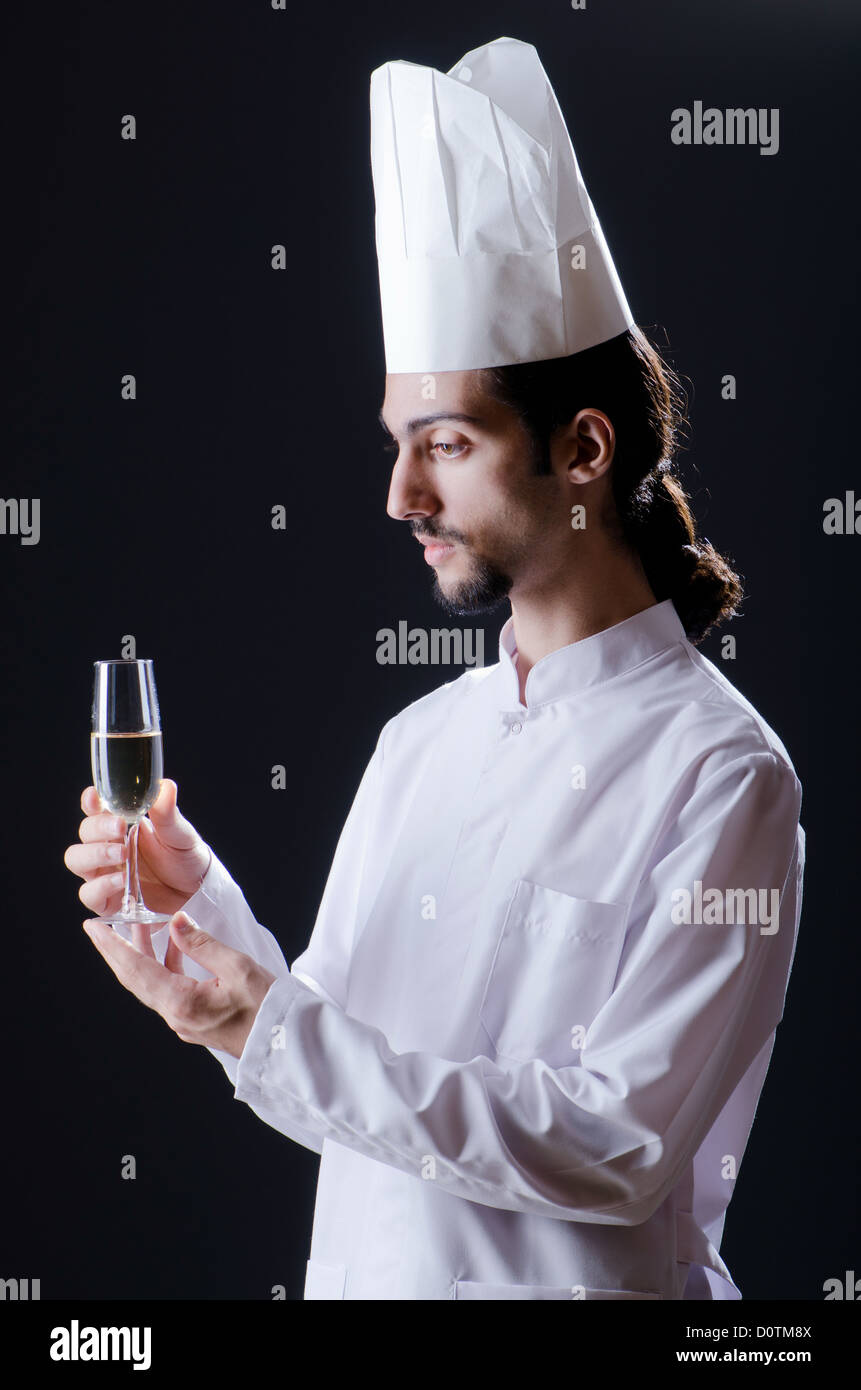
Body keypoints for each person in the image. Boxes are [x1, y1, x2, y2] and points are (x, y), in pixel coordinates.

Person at [65, 37, 804, 1301]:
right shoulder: (419, 740)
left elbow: (614, 1146)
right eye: (401, 442)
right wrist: (210, 931)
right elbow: (338, 1071)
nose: (401, 493)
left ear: (582, 449)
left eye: (446, 442)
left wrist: (262, 1021)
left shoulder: (724, 774)